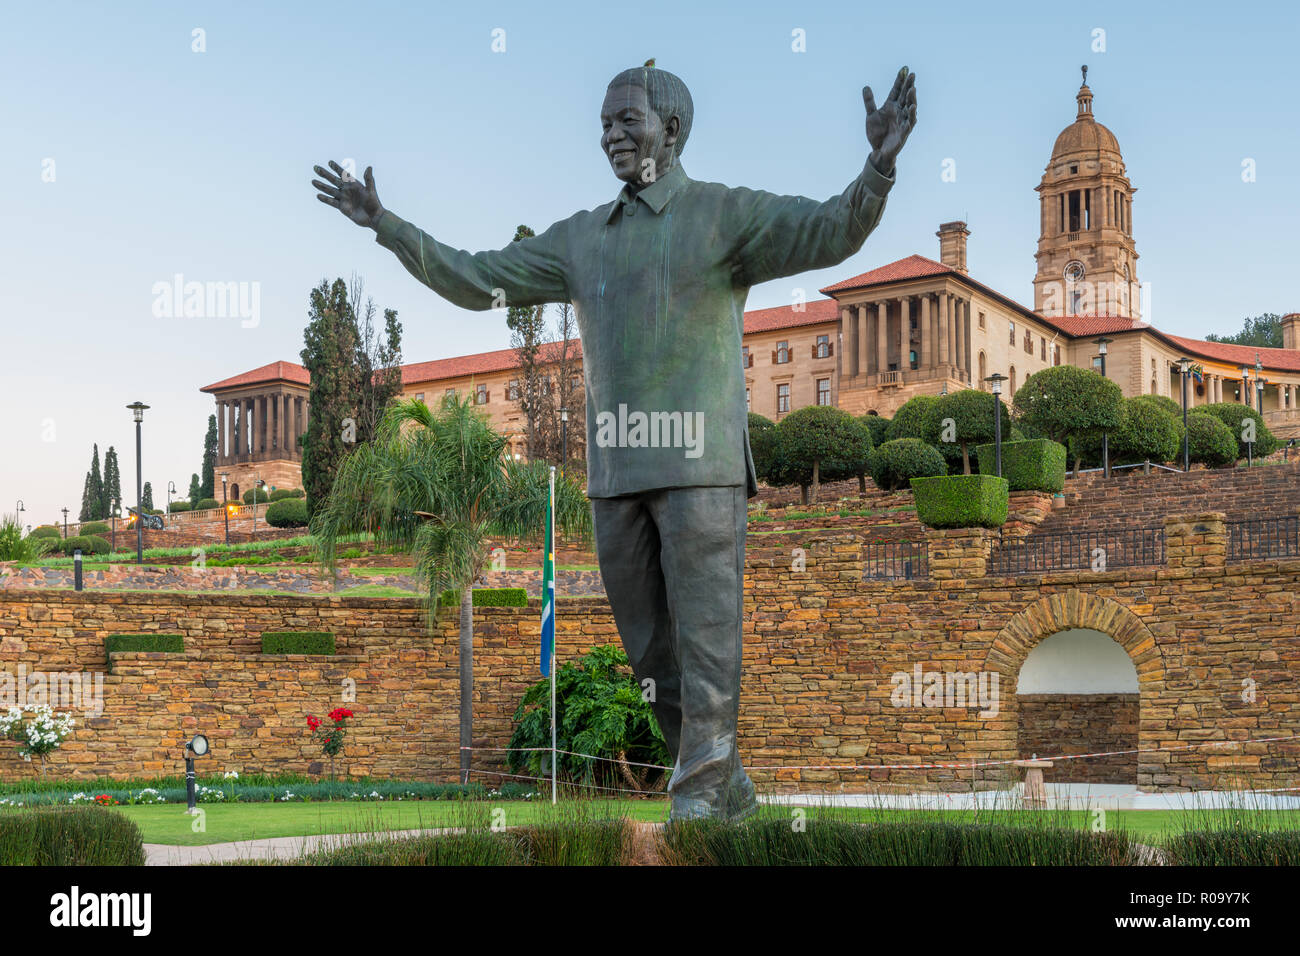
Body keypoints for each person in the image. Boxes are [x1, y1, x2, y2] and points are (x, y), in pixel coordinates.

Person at [311, 62, 917, 820]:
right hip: (616, 474)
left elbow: (832, 228)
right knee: (653, 660)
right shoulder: (580, 240)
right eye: (603, 122)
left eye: (625, 120)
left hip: (702, 467)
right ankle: (725, 788)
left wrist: (878, 167)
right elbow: (475, 278)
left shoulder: (723, 215)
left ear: (672, 128)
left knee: (705, 645)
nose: (609, 135)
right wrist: (387, 224)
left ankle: (699, 797)